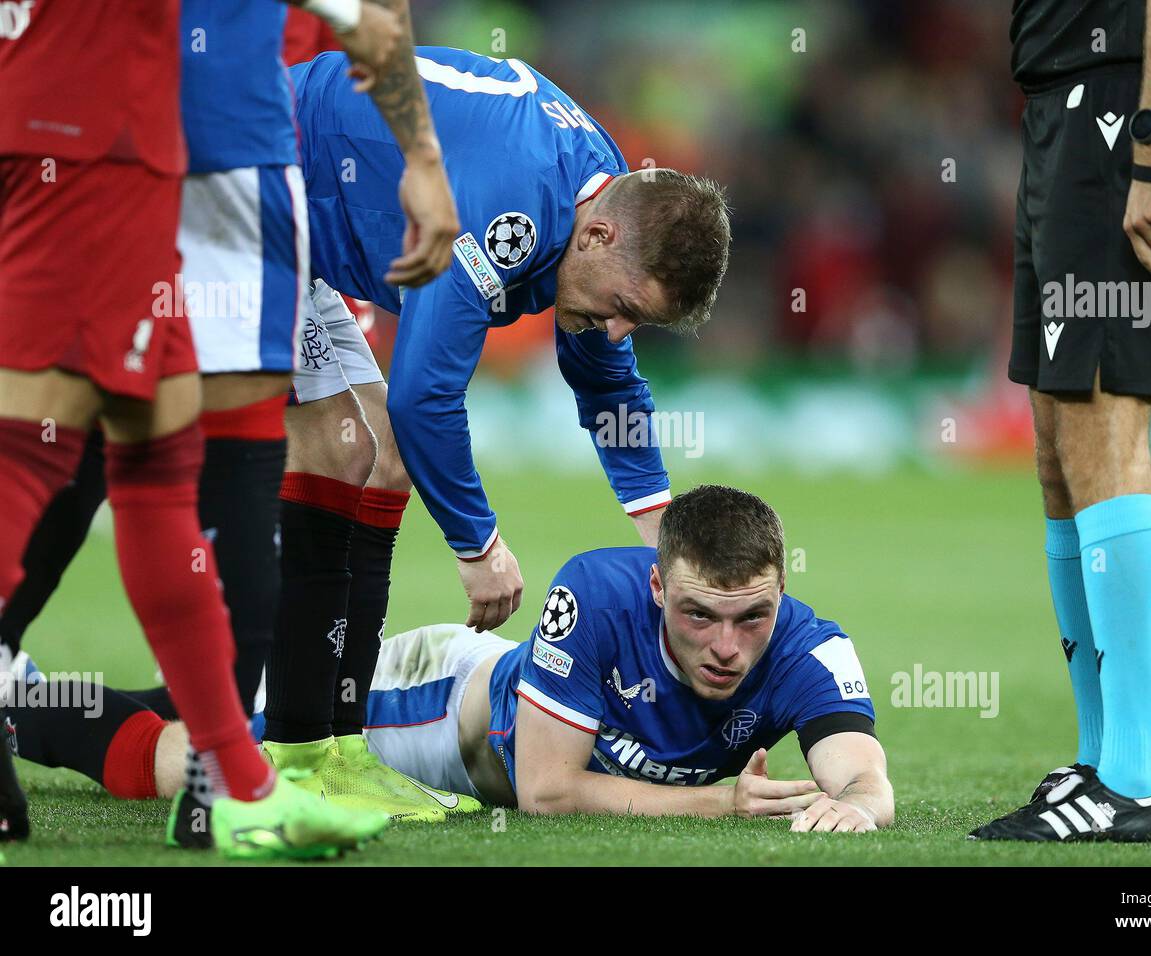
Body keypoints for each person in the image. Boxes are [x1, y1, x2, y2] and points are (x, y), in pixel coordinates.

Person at [254, 46, 731, 800]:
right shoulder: (510, 202)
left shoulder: (597, 204)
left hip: (308, 202)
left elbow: (607, 382)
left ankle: (340, 755)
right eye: (625, 310)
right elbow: (423, 395)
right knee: (343, 444)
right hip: (257, 180)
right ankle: (294, 759)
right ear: (602, 237)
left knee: (381, 457)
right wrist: (477, 544)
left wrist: (666, 542)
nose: (615, 331)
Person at [0, 0, 392, 858]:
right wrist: (353, 17)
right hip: (110, 136)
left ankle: (234, 776)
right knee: (39, 448)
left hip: (102, 126)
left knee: (152, 462)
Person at [7, 486, 893, 832]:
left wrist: (856, 806)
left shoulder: (808, 645)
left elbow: (865, 780)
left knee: (194, 709)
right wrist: (718, 804)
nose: (729, 647)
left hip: (475, 752)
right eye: (702, 616)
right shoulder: (597, 590)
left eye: (753, 618)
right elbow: (549, 791)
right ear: (660, 591)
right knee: (192, 758)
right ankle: (18, 708)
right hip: (424, 705)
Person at [970, 0, 1151, 842]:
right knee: (1056, 443)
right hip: (1062, 113)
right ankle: (1100, 757)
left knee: (1100, 419)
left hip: (1122, 115)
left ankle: (1137, 782)